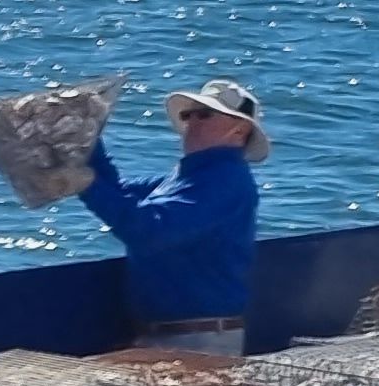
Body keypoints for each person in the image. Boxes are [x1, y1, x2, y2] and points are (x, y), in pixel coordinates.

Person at [76, 79, 267, 358]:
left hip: (199, 339)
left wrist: (86, 184)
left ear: (240, 129)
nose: (192, 122)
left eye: (204, 115)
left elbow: (150, 231)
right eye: (188, 115)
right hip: (172, 336)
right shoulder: (187, 177)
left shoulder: (225, 181)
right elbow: (118, 193)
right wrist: (88, 143)